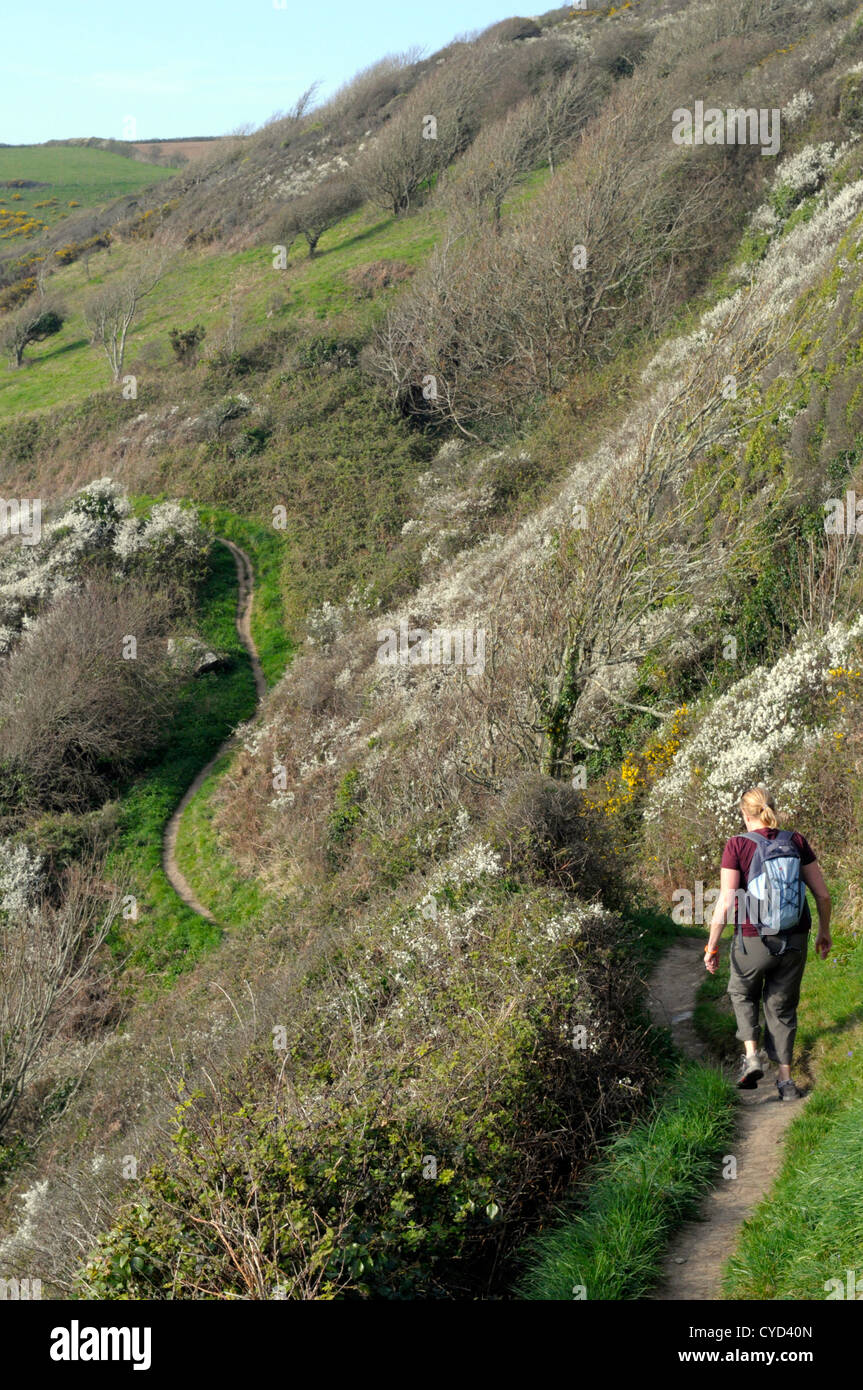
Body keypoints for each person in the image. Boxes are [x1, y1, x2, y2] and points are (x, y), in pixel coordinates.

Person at [703, 786, 832, 1100]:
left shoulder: (737, 845)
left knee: (741, 991)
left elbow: (726, 902)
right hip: (795, 939)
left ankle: (751, 1058)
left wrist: (712, 945)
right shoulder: (796, 841)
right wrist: (824, 932)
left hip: (754, 939)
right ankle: (786, 1083)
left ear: (746, 816)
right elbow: (823, 895)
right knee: (782, 1006)